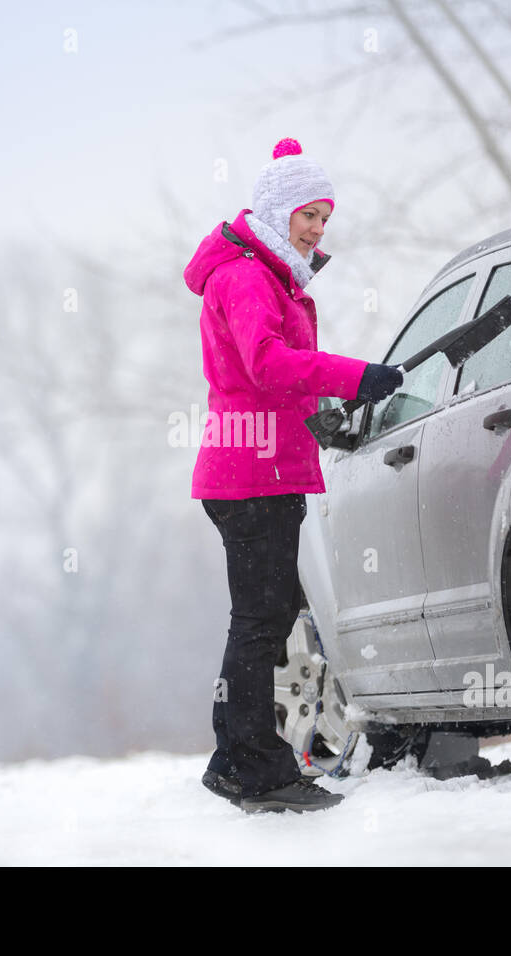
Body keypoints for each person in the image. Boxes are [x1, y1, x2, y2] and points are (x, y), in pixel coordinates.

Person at [182, 138, 404, 813]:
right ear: (278, 213)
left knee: (264, 617)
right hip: (249, 476)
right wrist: (355, 376)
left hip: (263, 466)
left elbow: (276, 383)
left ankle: (235, 758)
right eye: (309, 214)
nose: (317, 229)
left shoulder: (266, 274)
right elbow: (268, 365)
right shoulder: (248, 276)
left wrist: (324, 416)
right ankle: (252, 767)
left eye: (325, 218)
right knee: (261, 621)